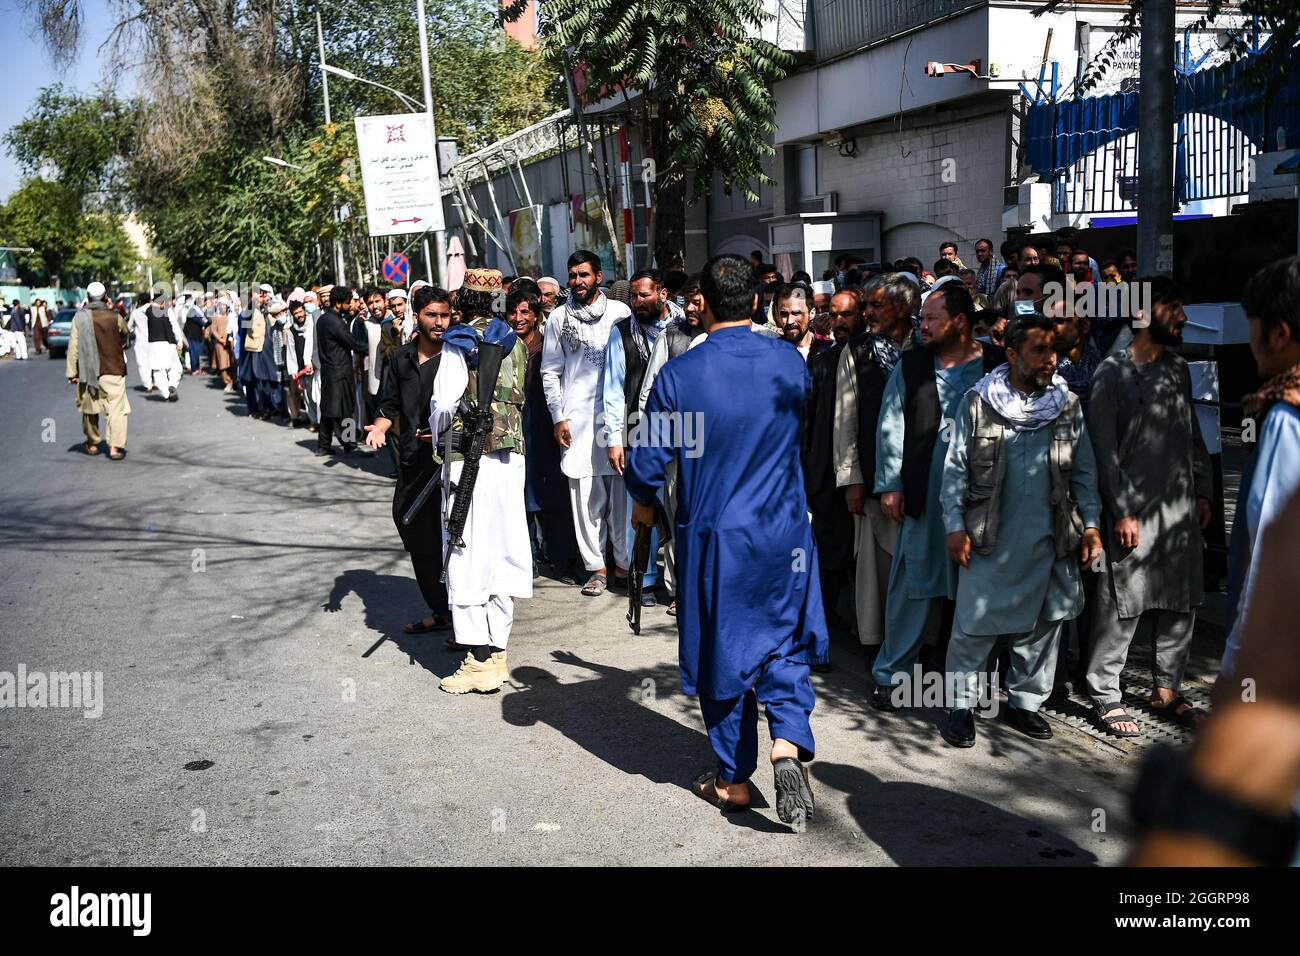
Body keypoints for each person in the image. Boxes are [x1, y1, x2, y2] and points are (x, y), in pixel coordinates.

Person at [626, 254, 825, 826]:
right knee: (782, 641)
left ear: (703, 304)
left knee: (724, 653)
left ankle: (734, 782)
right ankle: (787, 738)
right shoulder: (790, 363)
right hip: (785, 530)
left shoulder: (682, 375)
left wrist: (643, 502)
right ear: (758, 302)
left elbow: (649, 463)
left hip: (717, 537)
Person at [938, 311, 1103, 747]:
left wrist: (1090, 525)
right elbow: (954, 471)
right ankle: (960, 706)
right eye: (1039, 350)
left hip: (1051, 537)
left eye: (1054, 349)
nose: (1051, 359)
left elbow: (1084, 471)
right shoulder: (979, 402)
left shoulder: (1066, 404)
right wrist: (955, 526)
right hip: (989, 537)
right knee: (975, 626)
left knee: (1043, 625)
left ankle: (1024, 704)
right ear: (1011, 354)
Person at [1084, 277, 1213, 737]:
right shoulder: (1111, 373)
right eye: (1173, 308)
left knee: (1181, 599)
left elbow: (1190, 431)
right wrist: (1120, 509)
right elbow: (1102, 449)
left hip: (1177, 507)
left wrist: (1202, 491)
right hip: (1133, 511)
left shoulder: (1178, 367)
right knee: (1124, 600)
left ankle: (1167, 690)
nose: (1182, 317)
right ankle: (1105, 693)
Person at [868, 283, 995, 709]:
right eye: (920, 318)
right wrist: (891, 484)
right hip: (925, 496)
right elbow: (890, 427)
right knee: (914, 584)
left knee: (978, 590)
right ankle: (892, 676)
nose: (921, 326)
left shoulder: (995, 363)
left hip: (982, 505)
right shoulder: (912, 364)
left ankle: (971, 685)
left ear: (959, 322)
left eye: (930, 319)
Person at [430, 272, 532, 695]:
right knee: (502, 547)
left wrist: (437, 437)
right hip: (510, 459)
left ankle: (478, 661)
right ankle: (499, 651)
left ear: (463, 302)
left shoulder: (458, 342)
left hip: (466, 460)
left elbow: (443, 404)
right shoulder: (517, 342)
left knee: (464, 548)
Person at [1215, 256, 1300, 706]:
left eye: (1251, 325)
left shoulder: (1286, 418)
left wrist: (1238, 667)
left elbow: (1269, 557)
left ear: (1279, 333)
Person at [540, 250, 634, 597]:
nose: (578, 281)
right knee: (585, 497)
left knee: (621, 496)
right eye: (573, 275)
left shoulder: (621, 313)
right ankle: (596, 568)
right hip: (577, 420)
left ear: (598, 277)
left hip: (617, 418)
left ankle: (624, 566)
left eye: (584, 275)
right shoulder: (559, 318)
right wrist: (558, 417)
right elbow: (550, 371)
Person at [835, 274, 920, 652]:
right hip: (871, 478)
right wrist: (852, 477)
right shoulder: (856, 350)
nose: (867, 313)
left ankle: (918, 643)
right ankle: (878, 643)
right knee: (874, 571)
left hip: (919, 477)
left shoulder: (925, 346)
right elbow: (845, 417)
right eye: (865, 305)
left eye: (875, 306)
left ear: (903, 308)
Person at [365, 285, 454, 636]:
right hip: (414, 458)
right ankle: (440, 606)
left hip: (452, 460)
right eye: (432, 315)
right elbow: (389, 404)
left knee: (452, 531)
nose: (439, 322)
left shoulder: (457, 357)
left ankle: (463, 610)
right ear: (417, 316)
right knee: (410, 521)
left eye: (445, 315)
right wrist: (380, 429)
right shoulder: (400, 358)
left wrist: (446, 432)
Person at [603, 268, 679, 606]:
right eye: (633, 296)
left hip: (683, 429)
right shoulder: (620, 334)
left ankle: (678, 580)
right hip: (637, 430)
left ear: (662, 294)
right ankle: (646, 579)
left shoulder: (685, 327)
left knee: (679, 505)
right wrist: (614, 439)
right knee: (643, 506)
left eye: (644, 295)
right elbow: (612, 390)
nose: (637, 301)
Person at [634, 277, 707, 615]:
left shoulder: (728, 338)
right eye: (687, 301)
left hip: (715, 451)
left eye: (697, 302)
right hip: (680, 448)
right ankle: (680, 589)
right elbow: (650, 392)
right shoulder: (672, 336)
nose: (690, 308)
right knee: (679, 519)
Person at [804, 289, 866, 641]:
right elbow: (809, 427)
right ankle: (824, 631)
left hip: (866, 481)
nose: (840, 322)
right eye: (834, 315)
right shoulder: (822, 363)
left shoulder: (877, 358)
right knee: (829, 559)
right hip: (827, 481)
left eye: (848, 314)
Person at [512, 280, 581, 582]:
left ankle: (562, 559)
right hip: (515, 431)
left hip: (546, 428)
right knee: (518, 497)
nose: (518, 318)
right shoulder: (503, 350)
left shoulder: (547, 348)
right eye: (513, 312)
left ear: (537, 315)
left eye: (525, 312)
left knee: (553, 497)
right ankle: (525, 559)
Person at [66, 282, 131, 460]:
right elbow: (125, 333)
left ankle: (93, 442)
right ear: (106, 297)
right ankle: (115, 448)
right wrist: (112, 310)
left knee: (90, 407)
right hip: (113, 369)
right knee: (116, 409)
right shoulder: (114, 317)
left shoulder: (79, 318)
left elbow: (74, 347)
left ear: (87, 298)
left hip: (88, 371)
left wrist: (72, 372)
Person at [315, 285, 368, 456]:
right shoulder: (336, 322)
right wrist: (372, 347)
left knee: (328, 409)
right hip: (340, 372)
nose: (350, 306)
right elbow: (352, 343)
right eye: (347, 303)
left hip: (329, 370)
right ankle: (350, 445)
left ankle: (324, 445)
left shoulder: (323, 319)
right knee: (345, 408)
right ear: (338, 303)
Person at [284, 299, 319, 428]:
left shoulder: (313, 324)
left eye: (300, 311)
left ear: (304, 311)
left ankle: (323, 421)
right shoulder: (292, 330)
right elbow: (291, 351)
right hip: (301, 369)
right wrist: (293, 370)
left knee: (318, 396)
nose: (299, 315)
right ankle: (314, 421)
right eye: (296, 313)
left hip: (316, 366)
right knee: (308, 397)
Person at [145, 292, 184, 401]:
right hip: (168, 343)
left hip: (153, 344)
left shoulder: (148, 311)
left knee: (158, 370)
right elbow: (175, 327)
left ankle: (166, 393)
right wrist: (179, 341)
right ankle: (172, 385)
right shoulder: (167, 310)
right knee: (176, 368)